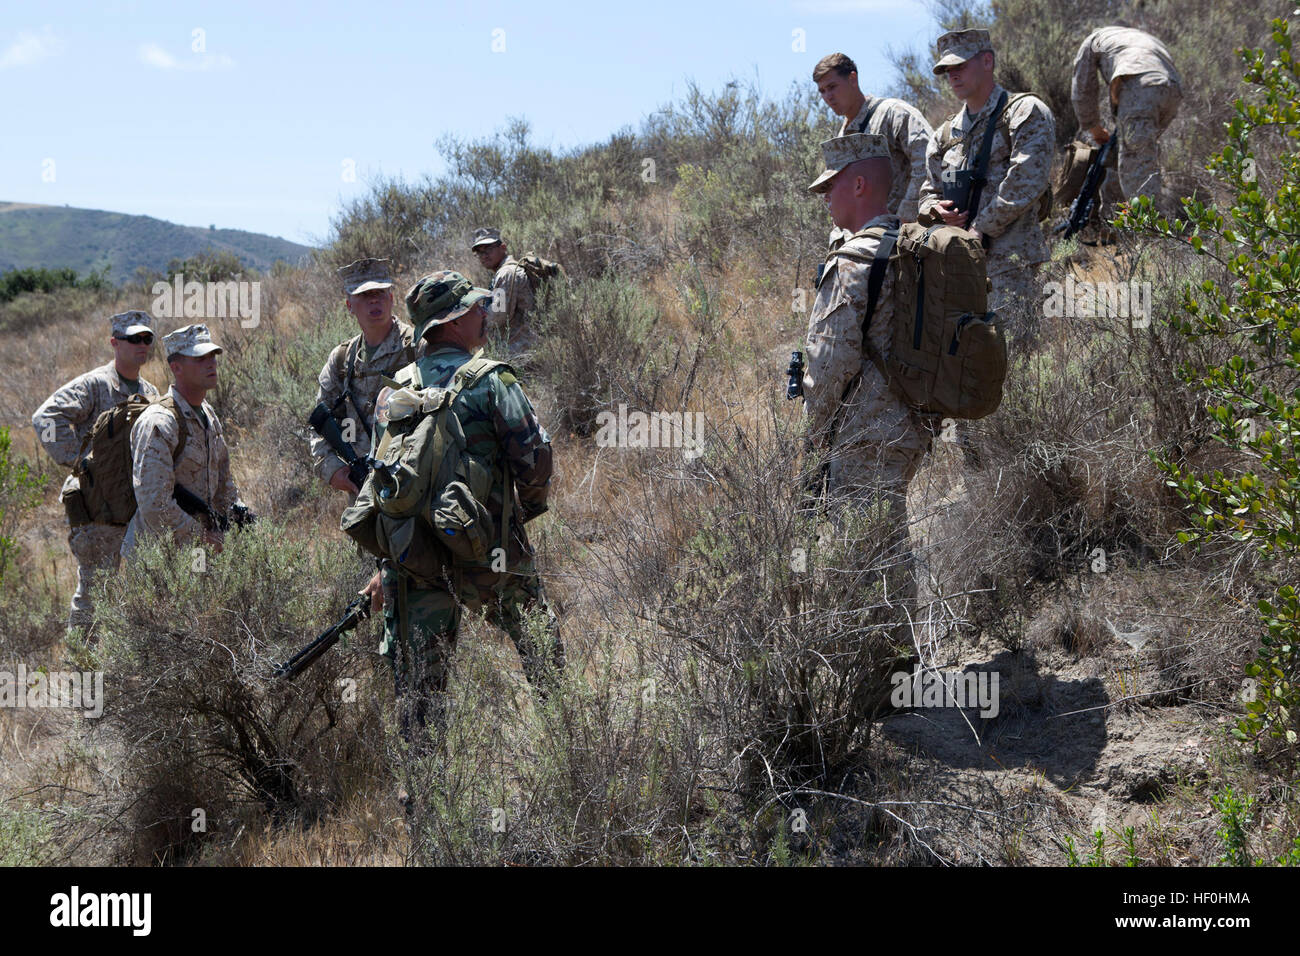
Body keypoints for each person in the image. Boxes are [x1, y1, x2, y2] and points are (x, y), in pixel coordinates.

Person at [359, 271, 561, 736]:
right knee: (544, 662)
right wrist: (524, 512)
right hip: (491, 552)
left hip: (415, 561)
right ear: (451, 322)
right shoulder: (492, 381)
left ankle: (426, 799)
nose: (484, 314)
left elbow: (379, 485)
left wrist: (387, 563)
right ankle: (576, 759)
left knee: (420, 699)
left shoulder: (394, 395)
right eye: (474, 307)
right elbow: (536, 461)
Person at [804, 133, 932, 704]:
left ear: (858, 184)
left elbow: (829, 366)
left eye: (831, 187)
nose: (827, 199)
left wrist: (812, 435)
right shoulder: (911, 250)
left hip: (864, 430)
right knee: (884, 538)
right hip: (909, 422)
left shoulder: (853, 259)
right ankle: (894, 671)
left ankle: (887, 683)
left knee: (868, 550)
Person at [917, 28, 1056, 337]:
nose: (952, 75)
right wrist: (935, 211)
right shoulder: (944, 135)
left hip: (1010, 265)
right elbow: (927, 193)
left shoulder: (1024, 112)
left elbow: (1026, 180)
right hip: (957, 270)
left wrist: (980, 228)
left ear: (987, 62)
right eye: (947, 70)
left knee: (1015, 359)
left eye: (960, 66)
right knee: (964, 363)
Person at [31, 311, 160, 631]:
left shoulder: (151, 392)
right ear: (114, 343)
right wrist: (77, 461)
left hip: (134, 507)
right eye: (133, 339)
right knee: (94, 592)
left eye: (147, 339)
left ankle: (124, 668)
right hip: (95, 507)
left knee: (142, 589)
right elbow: (44, 418)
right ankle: (83, 669)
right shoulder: (96, 384)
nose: (141, 345)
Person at [122, 324, 245, 559]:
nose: (211, 363)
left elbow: (224, 484)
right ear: (176, 367)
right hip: (159, 558)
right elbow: (154, 504)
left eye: (212, 356)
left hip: (198, 555)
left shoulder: (207, 414)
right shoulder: (159, 422)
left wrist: (238, 521)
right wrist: (202, 536)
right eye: (199, 358)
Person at [312, 258, 417, 495]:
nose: (373, 300)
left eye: (380, 292)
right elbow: (319, 422)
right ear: (349, 306)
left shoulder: (417, 347)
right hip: (362, 490)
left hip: (414, 485)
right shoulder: (342, 359)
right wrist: (333, 470)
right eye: (364, 295)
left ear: (391, 298)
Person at [812, 52, 934, 232]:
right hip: (864, 241)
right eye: (822, 91)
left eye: (832, 87)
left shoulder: (893, 113)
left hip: (903, 237)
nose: (828, 96)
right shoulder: (842, 137)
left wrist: (906, 214)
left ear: (852, 79)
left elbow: (929, 160)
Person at [1071, 25, 1182, 215]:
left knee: (1135, 162)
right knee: (1130, 155)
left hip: (1139, 85)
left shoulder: (1093, 41)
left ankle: (1149, 235)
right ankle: (1112, 219)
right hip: (1171, 90)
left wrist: (1093, 127)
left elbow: (1082, 90)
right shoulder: (1141, 37)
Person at [470, 228, 535, 341]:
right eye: (479, 252)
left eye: (488, 249)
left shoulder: (506, 273)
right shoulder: (504, 272)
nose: (484, 256)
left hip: (520, 348)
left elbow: (497, 316)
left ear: (503, 248)